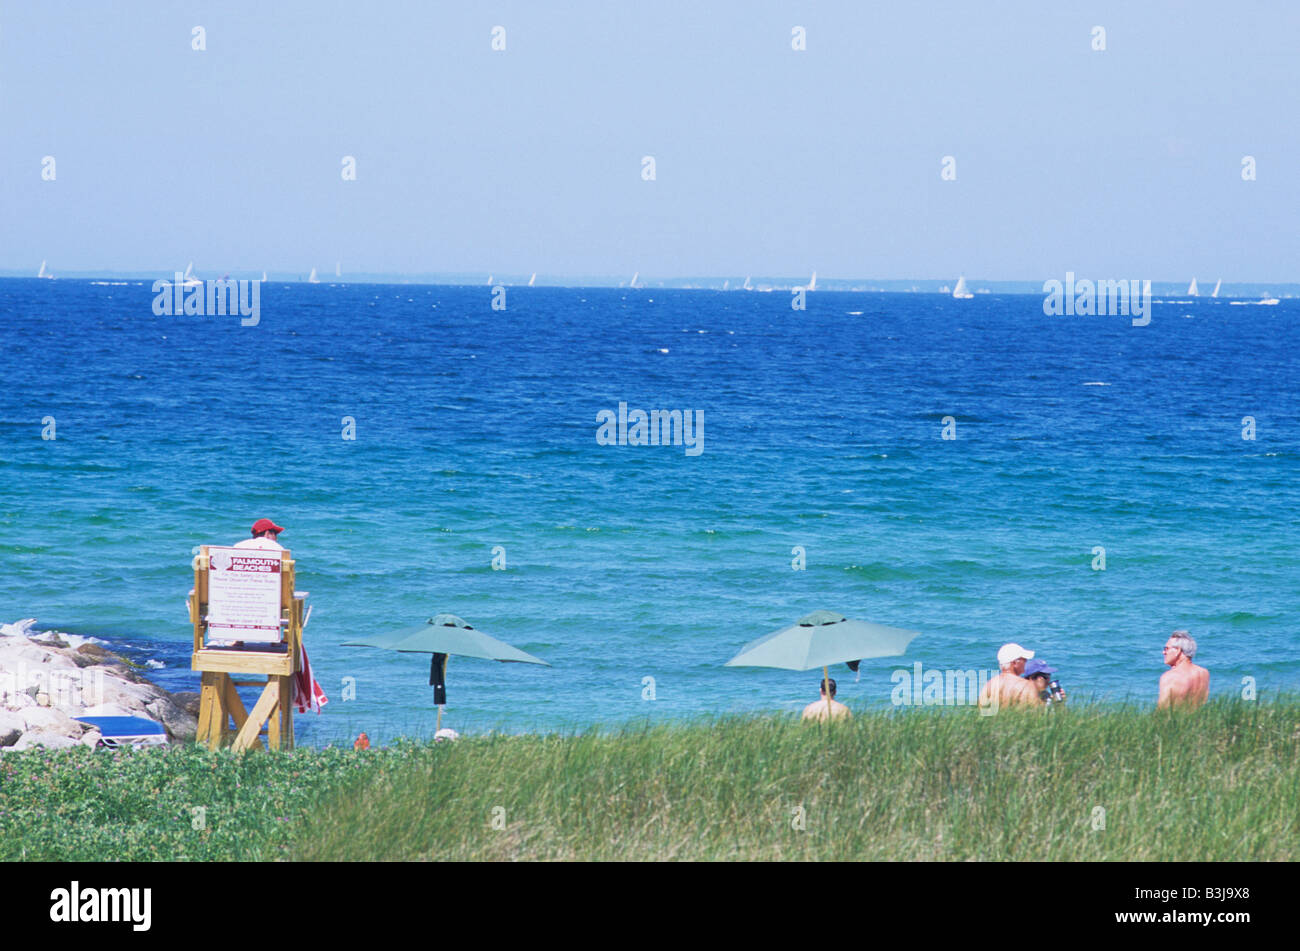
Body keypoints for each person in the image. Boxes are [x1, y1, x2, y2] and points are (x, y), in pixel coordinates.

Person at [978, 643, 1043, 711]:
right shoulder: (1026, 686)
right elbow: (1037, 713)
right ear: (1015, 663)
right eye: (1024, 659)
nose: (1026, 661)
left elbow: (982, 710)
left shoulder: (989, 685)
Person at [1158, 630, 1209, 710]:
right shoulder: (1203, 673)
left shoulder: (1170, 677)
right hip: (1199, 720)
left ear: (1178, 651)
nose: (1163, 652)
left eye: (1166, 648)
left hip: (1178, 721)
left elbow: (1162, 710)